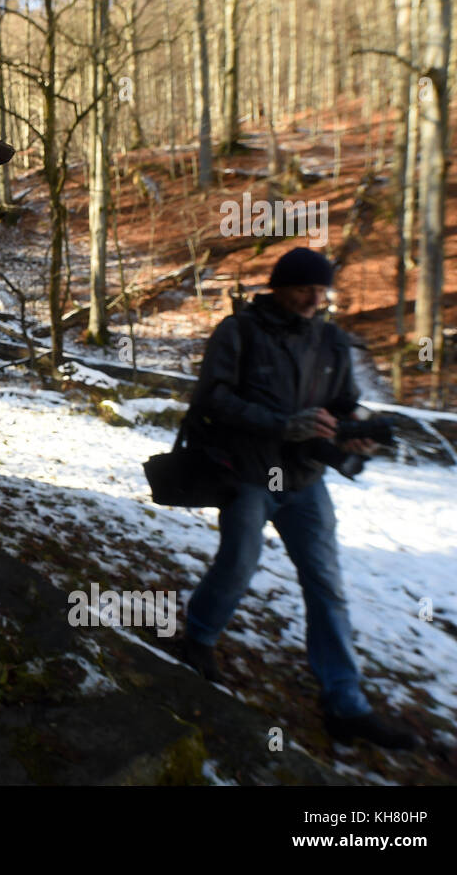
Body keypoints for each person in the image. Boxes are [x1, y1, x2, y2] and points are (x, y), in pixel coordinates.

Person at [178, 247, 418, 750]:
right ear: (279, 286)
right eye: (306, 289)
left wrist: (355, 433)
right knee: (240, 562)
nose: (315, 299)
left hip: (307, 478)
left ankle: (345, 703)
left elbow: (344, 404)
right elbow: (212, 398)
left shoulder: (331, 339)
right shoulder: (239, 330)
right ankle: (196, 640)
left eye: (322, 290)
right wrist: (282, 425)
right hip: (248, 471)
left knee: (327, 585)